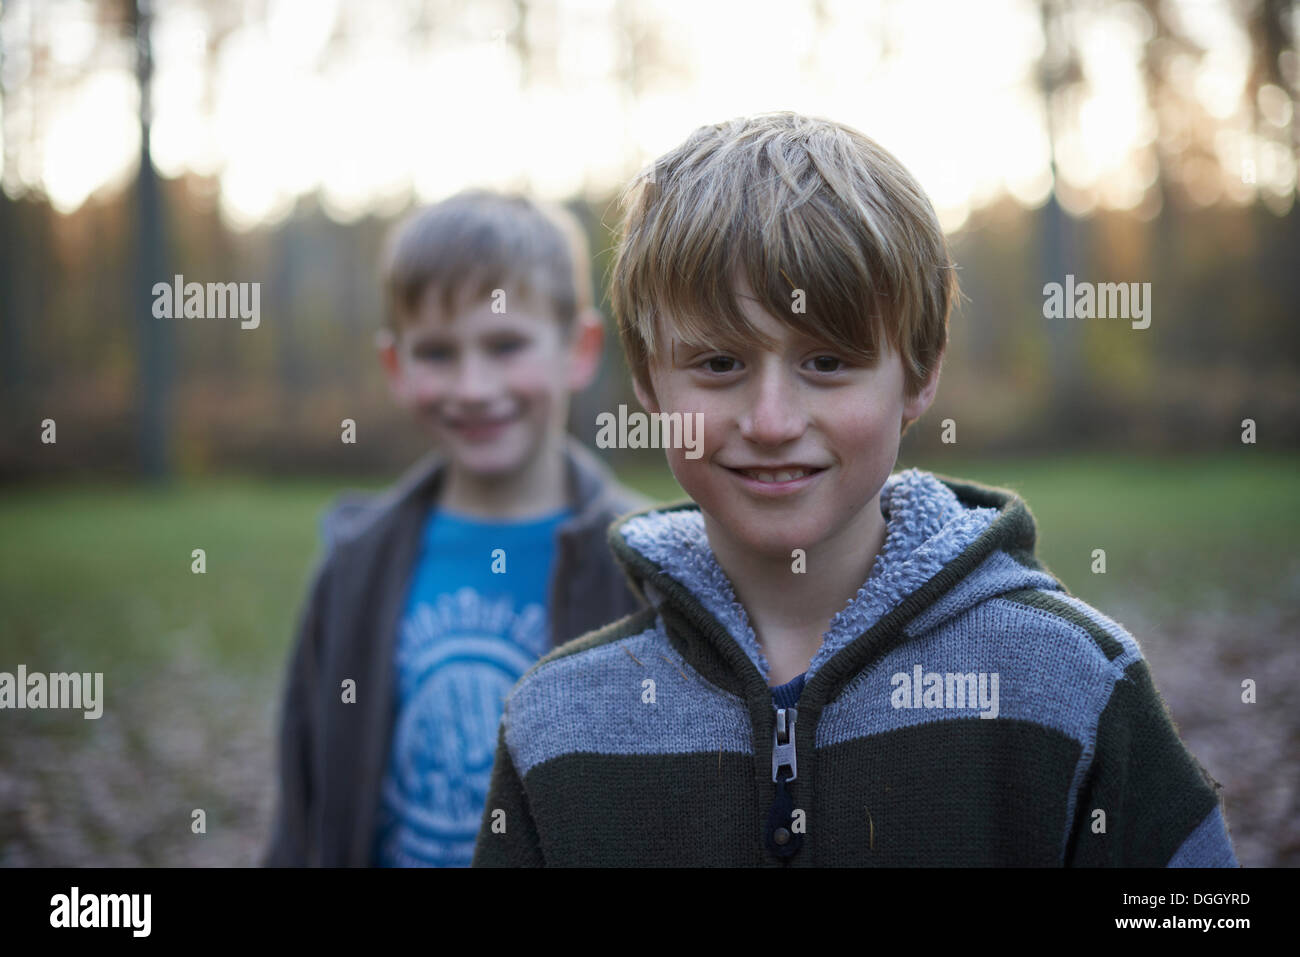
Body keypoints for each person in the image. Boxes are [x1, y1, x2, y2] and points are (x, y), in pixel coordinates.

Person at [472, 113, 1238, 867]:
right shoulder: (559, 720)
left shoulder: (1067, 682)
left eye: (828, 362)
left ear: (920, 369)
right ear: (647, 378)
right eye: (718, 364)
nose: (771, 422)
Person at [263, 190, 648, 866]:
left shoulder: (645, 564)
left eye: (505, 344)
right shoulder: (357, 566)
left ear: (579, 350)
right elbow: (305, 799)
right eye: (437, 352)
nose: (472, 386)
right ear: (395, 366)